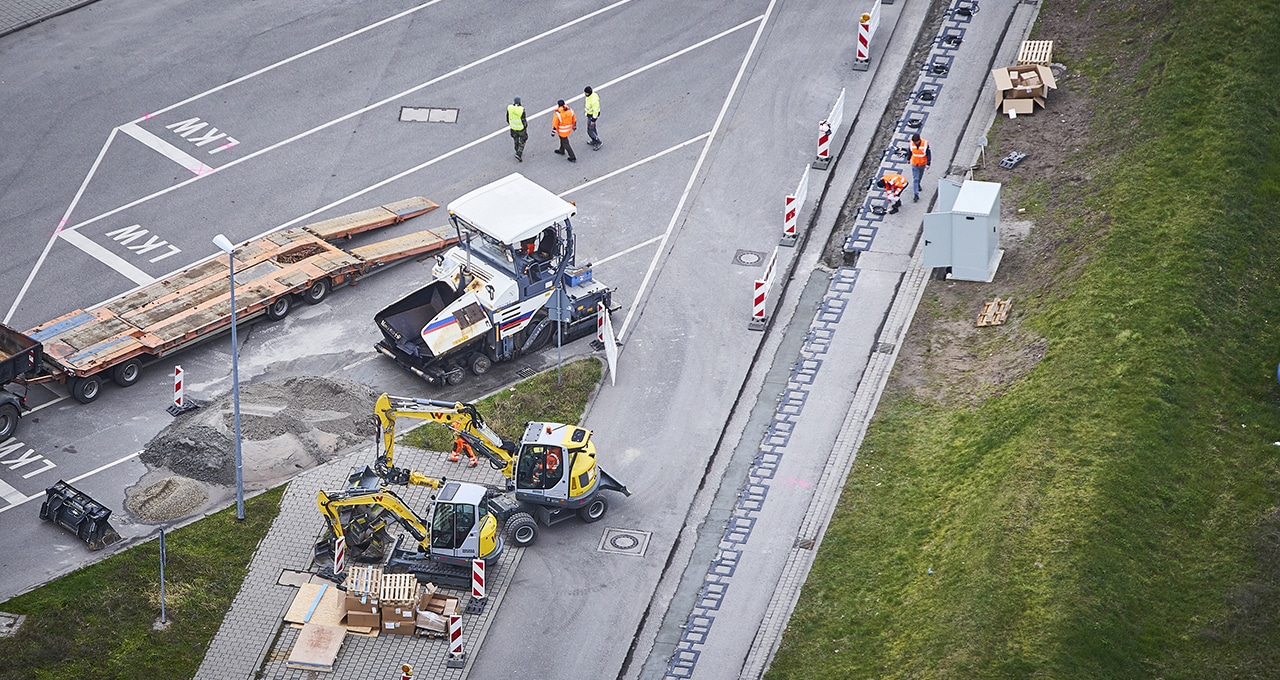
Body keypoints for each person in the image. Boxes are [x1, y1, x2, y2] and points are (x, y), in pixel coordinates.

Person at [909, 133, 931, 202]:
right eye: (914, 142)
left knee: (919, 177)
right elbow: (909, 151)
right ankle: (916, 194)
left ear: (919, 140)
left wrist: (928, 163)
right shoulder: (911, 143)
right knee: (916, 178)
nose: (915, 143)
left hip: (922, 164)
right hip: (915, 163)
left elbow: (928, 154)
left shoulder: (925, 144)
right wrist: (908, 159)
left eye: (916, 142)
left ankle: (918, 185)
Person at [508, 96, 527, 162]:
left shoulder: (510, 108)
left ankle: (516, 149)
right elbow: (523, 119)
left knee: (515, 139)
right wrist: (525, 126)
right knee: (523, 140)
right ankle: (519, 153)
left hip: (513, 127)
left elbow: (507, 118)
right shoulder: (521, 109)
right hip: (520, 128)